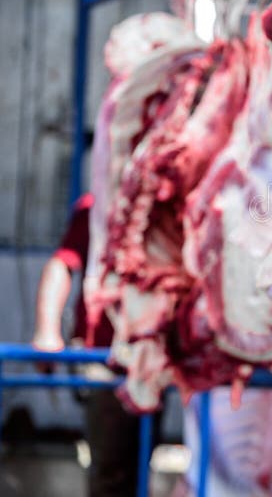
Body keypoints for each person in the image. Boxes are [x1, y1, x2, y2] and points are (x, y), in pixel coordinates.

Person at [31, 193, 141, 497]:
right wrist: (47, 331)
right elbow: (62, 264)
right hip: (104, 358)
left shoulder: (170, 203)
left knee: (141, 456)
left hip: (154, 357)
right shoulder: (97, 208)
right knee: (111, 465)